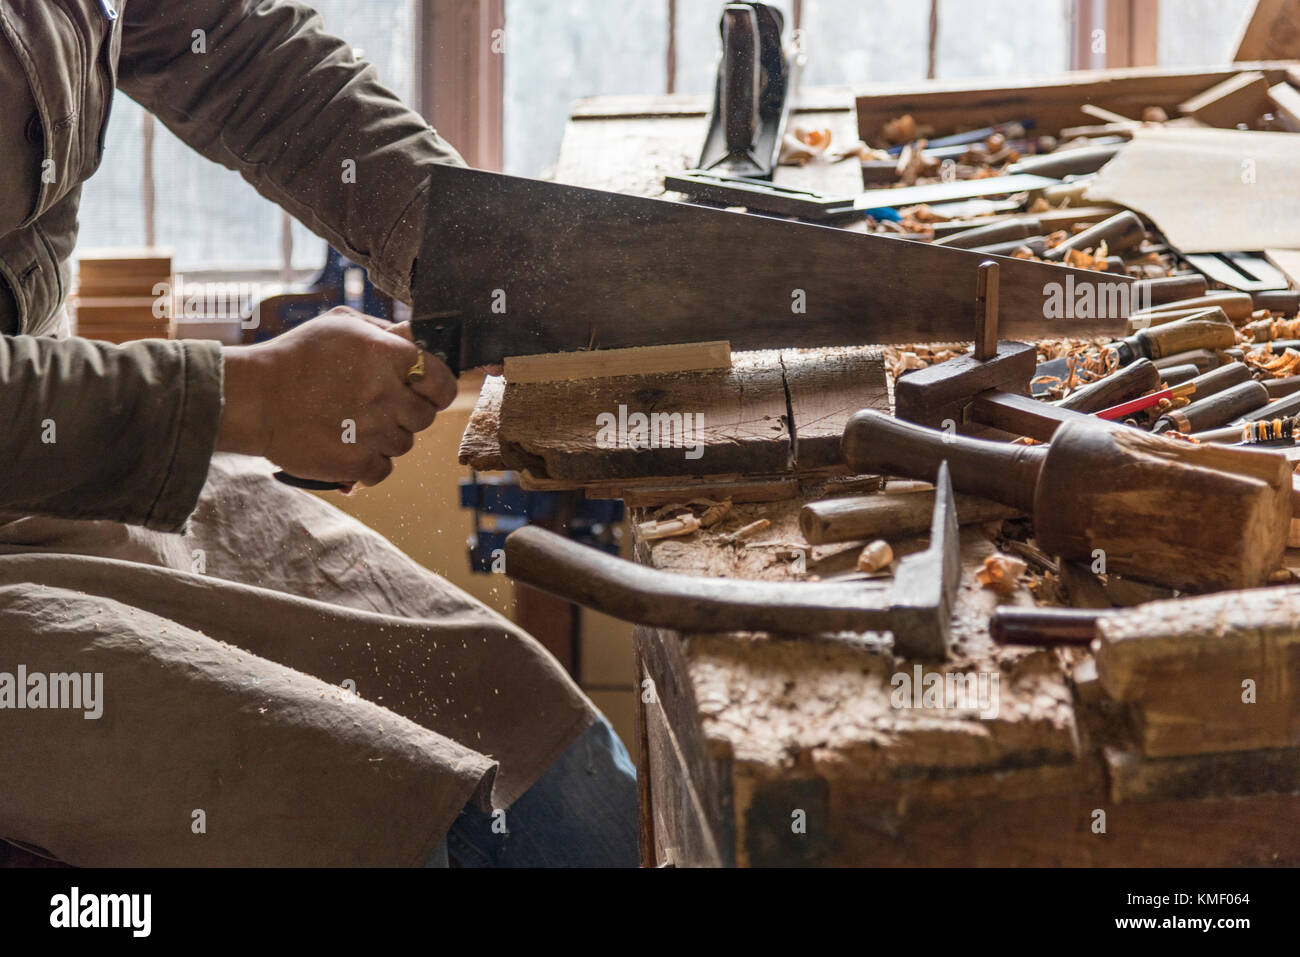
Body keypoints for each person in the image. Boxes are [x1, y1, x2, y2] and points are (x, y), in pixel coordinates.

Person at [0, 0, 637, 867]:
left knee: (534, 734)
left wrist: (465, 248)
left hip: (67, 463)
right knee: (387, 809)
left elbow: (235, 48)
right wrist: (248, 401)